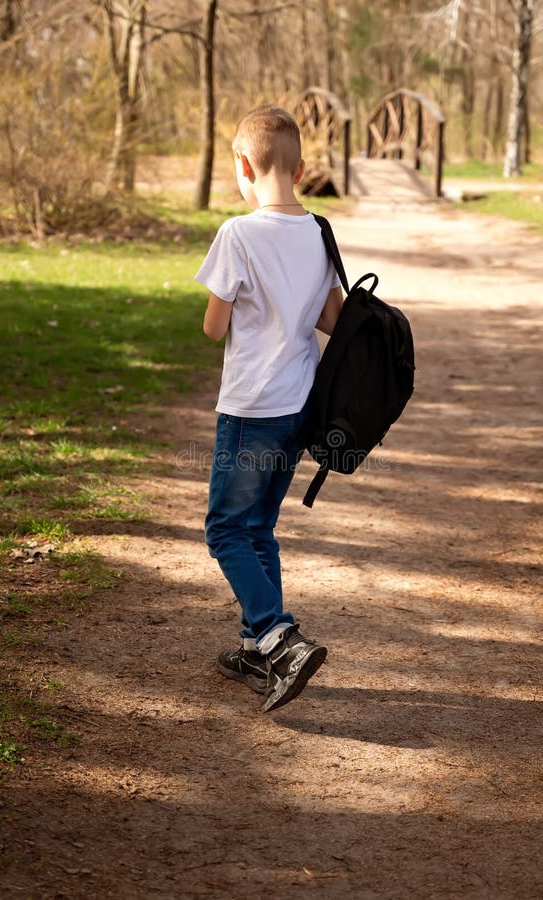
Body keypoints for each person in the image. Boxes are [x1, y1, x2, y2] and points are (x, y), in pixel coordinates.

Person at [195, 105, 343, 712]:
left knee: (225, 528)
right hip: (297, 409)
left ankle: (280, 636)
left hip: (251, 406)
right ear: (302, 168)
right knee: (259, 527)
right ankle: (258, 647)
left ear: (243, 167)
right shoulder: (319, 231)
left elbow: (213, 327)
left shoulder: (238, 233)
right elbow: (334, 320)